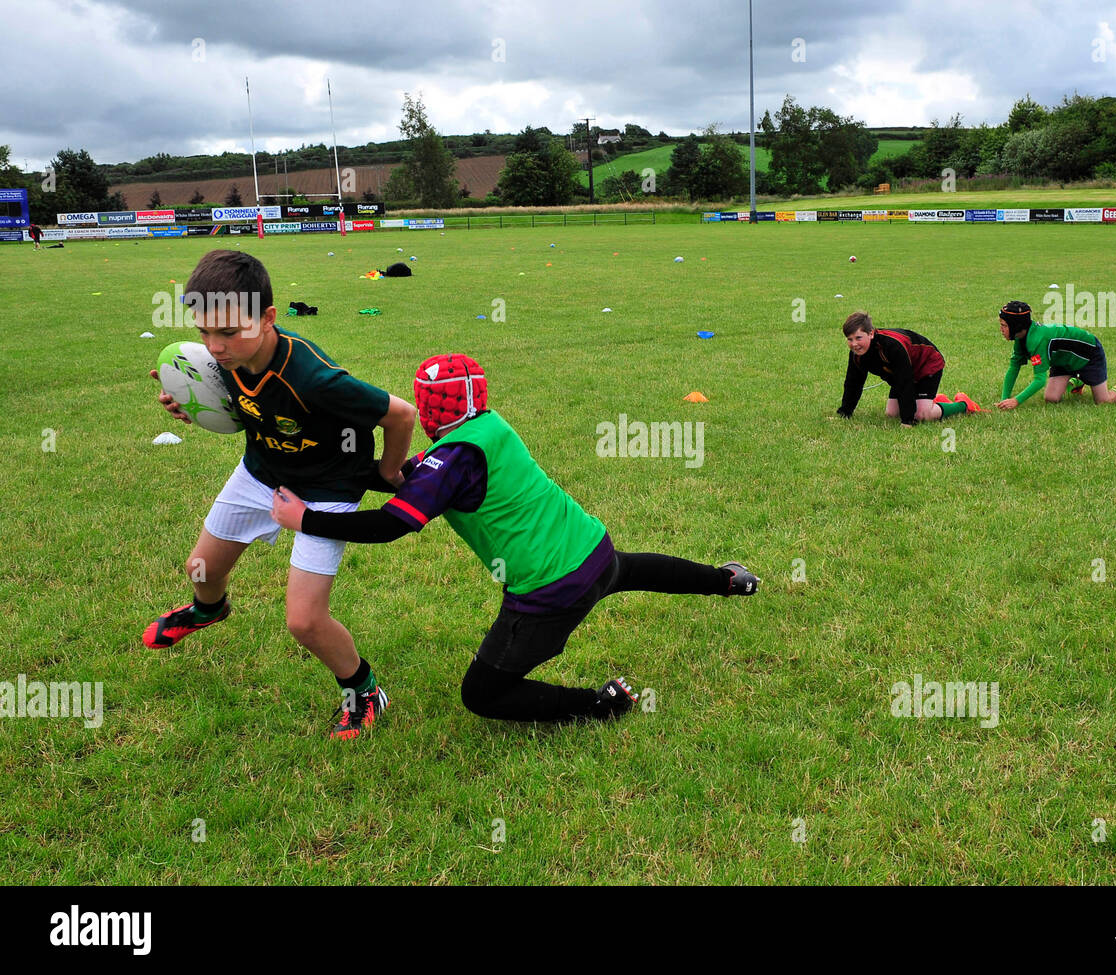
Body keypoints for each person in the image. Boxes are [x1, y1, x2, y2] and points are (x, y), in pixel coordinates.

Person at [271, 353, 760, 727]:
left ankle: (602, 705)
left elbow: (391, 525)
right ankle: (728, 580)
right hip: (592, 548)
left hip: (550, 592)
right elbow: (418, 477)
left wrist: (305, 520)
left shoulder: (451, 458)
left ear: (425, 406)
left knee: (482, 696)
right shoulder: (490, 426)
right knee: (633, 570)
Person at [143, 249, 417, 740]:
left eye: (228, 332)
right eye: (205, 331)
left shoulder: (313, 376)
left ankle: (363, 690)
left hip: (327, 489)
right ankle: (210, 609)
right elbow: (239, 409)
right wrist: (192, 406)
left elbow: (401, 414)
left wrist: (390, 470)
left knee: (305, 621)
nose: (215, 346)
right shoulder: (222, 359)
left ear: (268, 318)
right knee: (200, 570)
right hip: (261, 471)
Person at [995, 300, 1116, 408]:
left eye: (1004, 325)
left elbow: (1039, 380)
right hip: (1063, 361)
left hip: (1089, 354)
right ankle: (1076, 381)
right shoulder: (1020, 337)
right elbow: (1014, 367)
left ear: (1016, 326)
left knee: (1103, 401)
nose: (1001, 330)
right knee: (1051, 398)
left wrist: (1016, 401)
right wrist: (1004, 399)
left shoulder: (1037, 340)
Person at [835, 311, 982, 426]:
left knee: (921, 415)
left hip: (927, 364)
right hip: (904, 374)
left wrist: (907, 421)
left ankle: (963, 405)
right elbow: (853, 382)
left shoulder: (892, 346)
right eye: (850, 339)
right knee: (892, 413)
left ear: (871, 333)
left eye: (858, 338)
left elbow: (905, 382)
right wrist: (845, 412)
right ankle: (934, 401)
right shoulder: (857, 354)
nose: (854, 344)